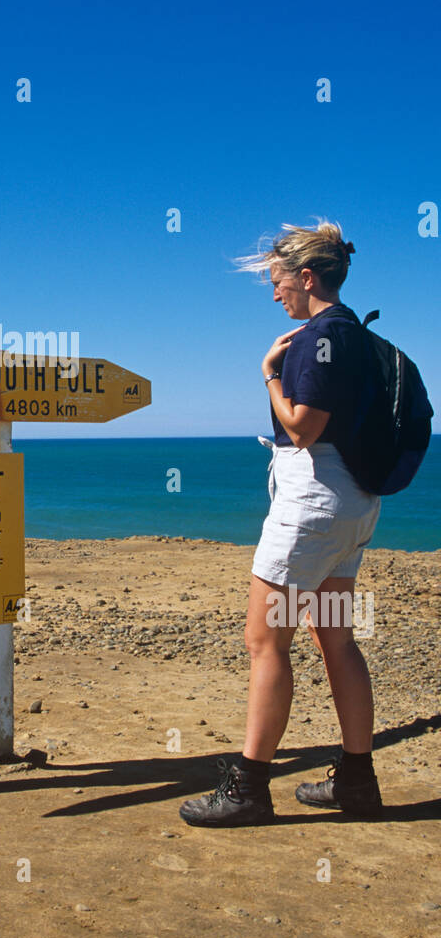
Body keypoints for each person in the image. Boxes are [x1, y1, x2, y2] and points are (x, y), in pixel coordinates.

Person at [180, 220, 384, 827]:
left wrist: (269, 371)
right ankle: (357, 781)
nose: (275, 295)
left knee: (266, 643)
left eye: (277, 283)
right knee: (336, 639)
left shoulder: (318, 338)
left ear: (305, 277)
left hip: (311, 508)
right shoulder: (357, 335)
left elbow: (301, 427)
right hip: (353, 503)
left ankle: (248, 789)